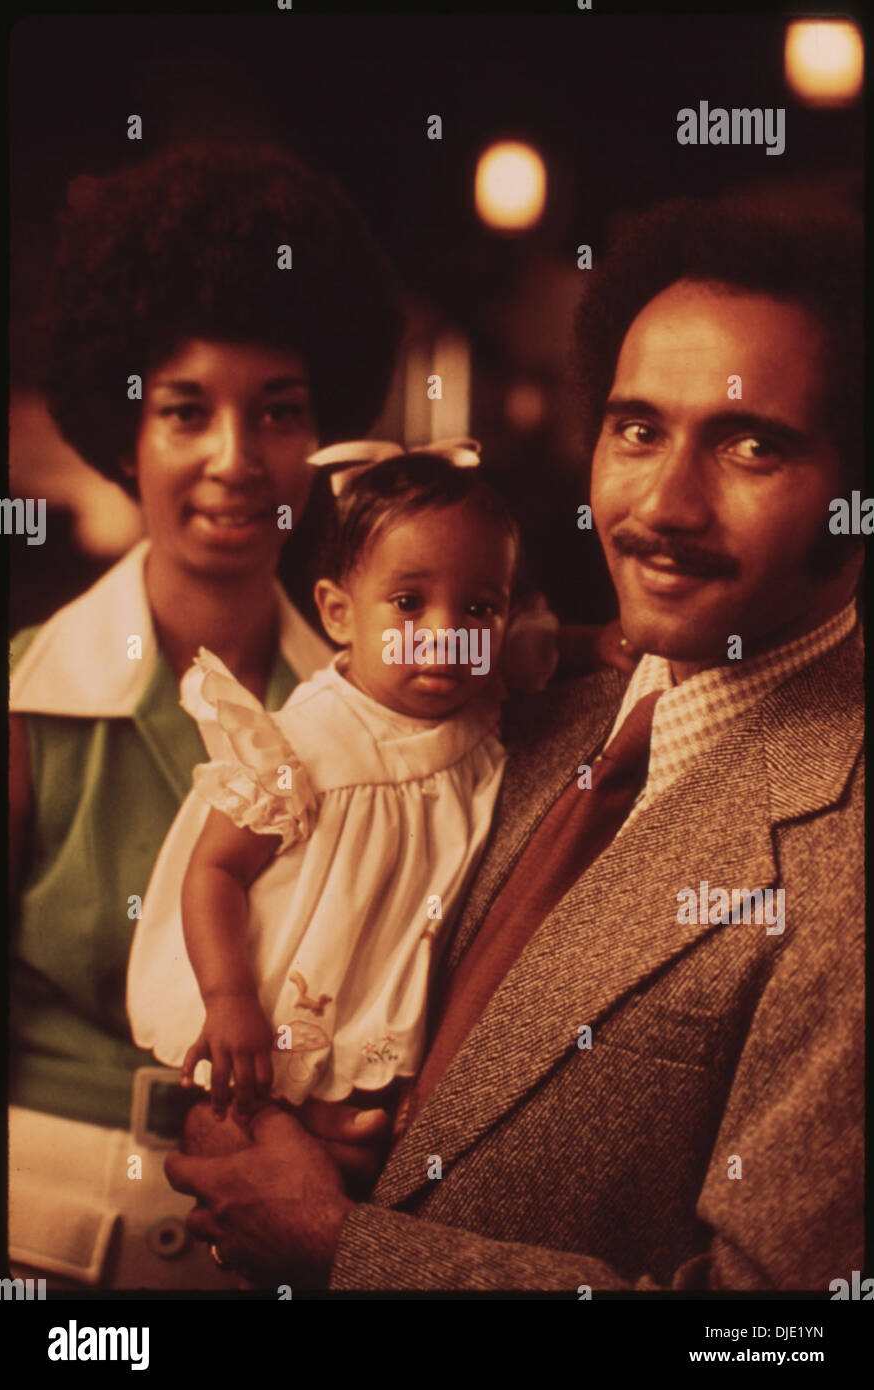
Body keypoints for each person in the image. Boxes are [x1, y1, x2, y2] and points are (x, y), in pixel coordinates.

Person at [165, 191, 865, 1292]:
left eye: (751, 446)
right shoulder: (516, 711)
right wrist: (266, 1135)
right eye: (638, 430)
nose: (664, 505)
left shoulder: (848, 851)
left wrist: (344, 1249)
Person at [8, 141, 402, 1288]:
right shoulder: (26, 709)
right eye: (186, 412)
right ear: (123, 436)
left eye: (277, 412)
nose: (236, 460)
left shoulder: (378, 719)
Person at [127, 447, 518, 1123]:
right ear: (339, 613)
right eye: (407, 602)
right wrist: (228, 998)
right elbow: (213, 871)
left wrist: (599, 643)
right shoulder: (302, 748)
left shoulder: (485, 713)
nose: (446, 634)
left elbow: (549, 646)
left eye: (480, 608)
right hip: (272, 996)